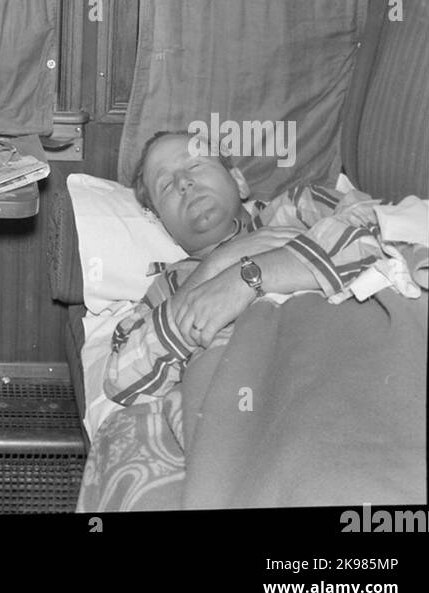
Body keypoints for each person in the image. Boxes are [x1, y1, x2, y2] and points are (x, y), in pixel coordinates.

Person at [105, 129, 391, 407]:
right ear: (163, 224)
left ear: (239, 182)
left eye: (195, 164)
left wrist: (253, 275)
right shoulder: (170, 287)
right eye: (166, 185)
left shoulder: (292, 210)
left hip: (359, 363)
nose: (183, 182)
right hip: (261, 405)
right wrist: (215, 266)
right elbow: (122, 379)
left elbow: (389, 228)